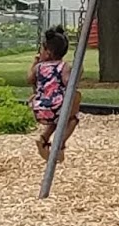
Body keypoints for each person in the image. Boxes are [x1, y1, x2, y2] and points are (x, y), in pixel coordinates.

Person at [28, 27, 80, 161]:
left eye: (41, 49)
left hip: (39, 110)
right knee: (72, 119)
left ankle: (43, 139)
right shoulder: (64, 66)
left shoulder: (39, 67)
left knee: (59, 118)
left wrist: (35, 63)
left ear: (48, 52)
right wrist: (77, 74)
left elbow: (30, 79)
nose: (40, 52)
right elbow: (69, 83)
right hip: (55, 108)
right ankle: (60, 145)